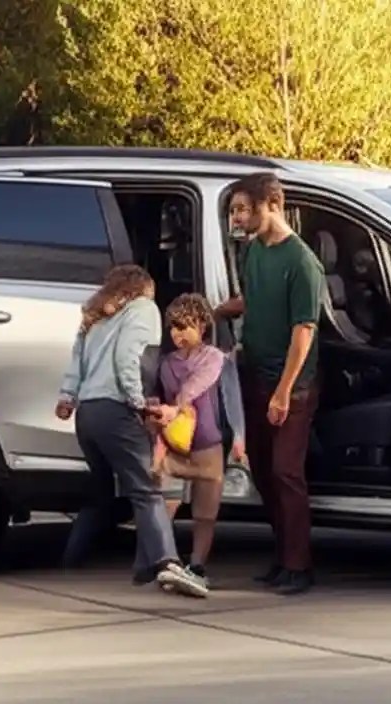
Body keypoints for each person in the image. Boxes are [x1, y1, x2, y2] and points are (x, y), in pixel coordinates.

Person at [55, 265, 208, 598]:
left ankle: (73, 562)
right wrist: (138, 402)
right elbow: (129, 358)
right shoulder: (142, 309)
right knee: (147, 489)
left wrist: (67, 397)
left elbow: (76, 361)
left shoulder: (95, 316)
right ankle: (168, 564)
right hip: (115, 410)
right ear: (143, 287)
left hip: (88, 414)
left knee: (100, 493)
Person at [217, 172, 325, 596]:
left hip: (291, 386)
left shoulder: (301, 261)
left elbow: (304, 329)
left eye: (246, 209)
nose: (239, 218)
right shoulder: (255, 251)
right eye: (235, 210)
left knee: (285, 470)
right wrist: (217, 311)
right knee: (262, 469)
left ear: (273, 206)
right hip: (254, 374)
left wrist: (284, 391)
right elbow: (254, 299)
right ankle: (282, 557)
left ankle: (300, 565)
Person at [150, 293, 247, 592]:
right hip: (178, 439)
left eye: (186, 327)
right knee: (168, 500)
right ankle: (167, 561)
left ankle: (197, 564)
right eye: (174, 328)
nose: (179, 334)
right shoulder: (166, 365)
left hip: (209, 437)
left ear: (203, 326)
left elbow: (232, 399)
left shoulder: (217, 360)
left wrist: (240, 435)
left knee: (206, 510)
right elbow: (165, 400)